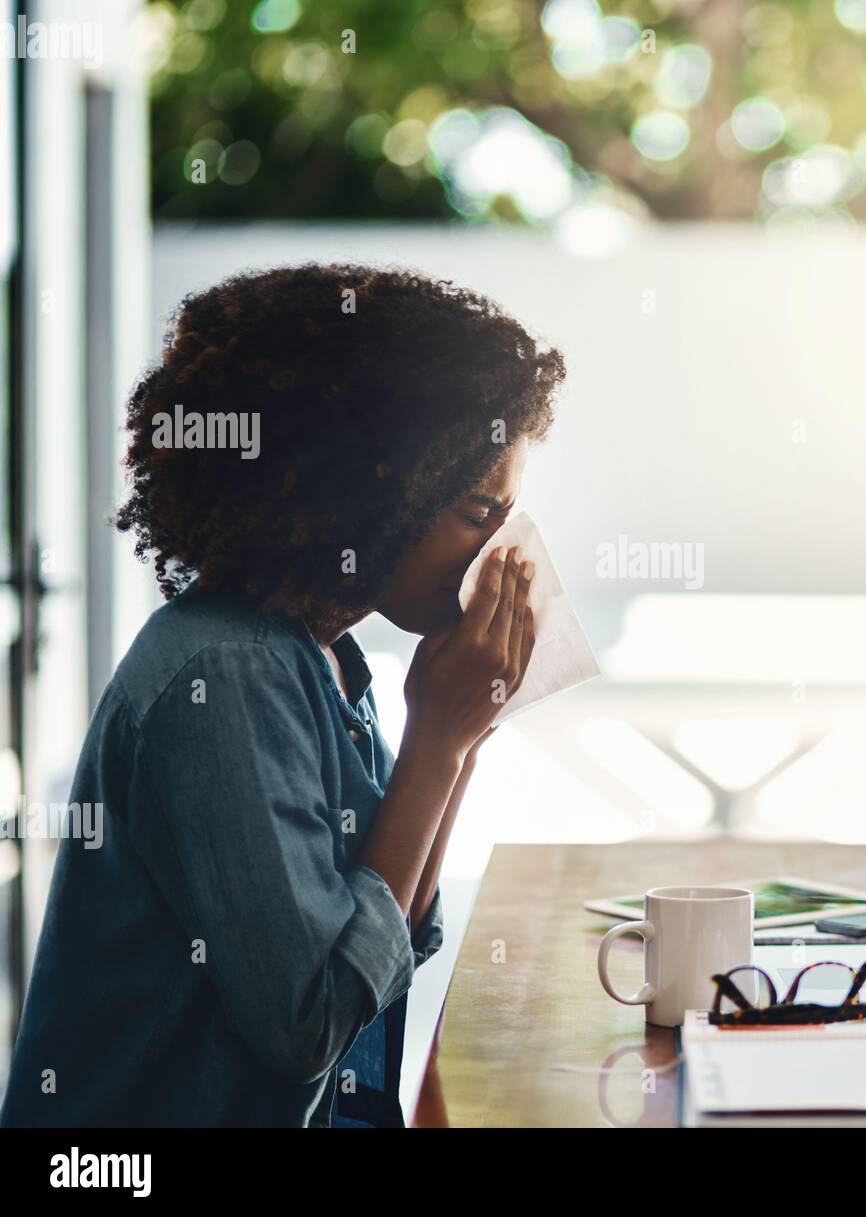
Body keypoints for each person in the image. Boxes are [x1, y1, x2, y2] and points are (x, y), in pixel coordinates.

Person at [0, 263, 564, 1126]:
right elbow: (310, 1021)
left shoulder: (323, 656)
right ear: (367, 489)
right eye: (477, 512)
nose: (499, 552)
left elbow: (393, 944)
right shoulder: (226, 674)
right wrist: (436, 747)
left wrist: (460, 737)